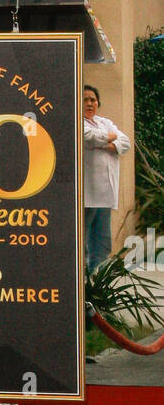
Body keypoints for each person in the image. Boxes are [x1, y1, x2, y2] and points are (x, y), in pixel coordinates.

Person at [83, 83, 130, 271]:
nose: (89, 103)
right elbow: (87, 137)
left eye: (93, 100)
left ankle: (99, 279)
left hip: (106, 194)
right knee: (84, 239)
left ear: (98, 103)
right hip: (87, 193)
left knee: (102, 240)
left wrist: (104, 143)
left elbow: (125, 142)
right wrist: (110, 139)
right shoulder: (77, 122)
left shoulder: (106, 122)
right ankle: (84, 281)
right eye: (85, 99)